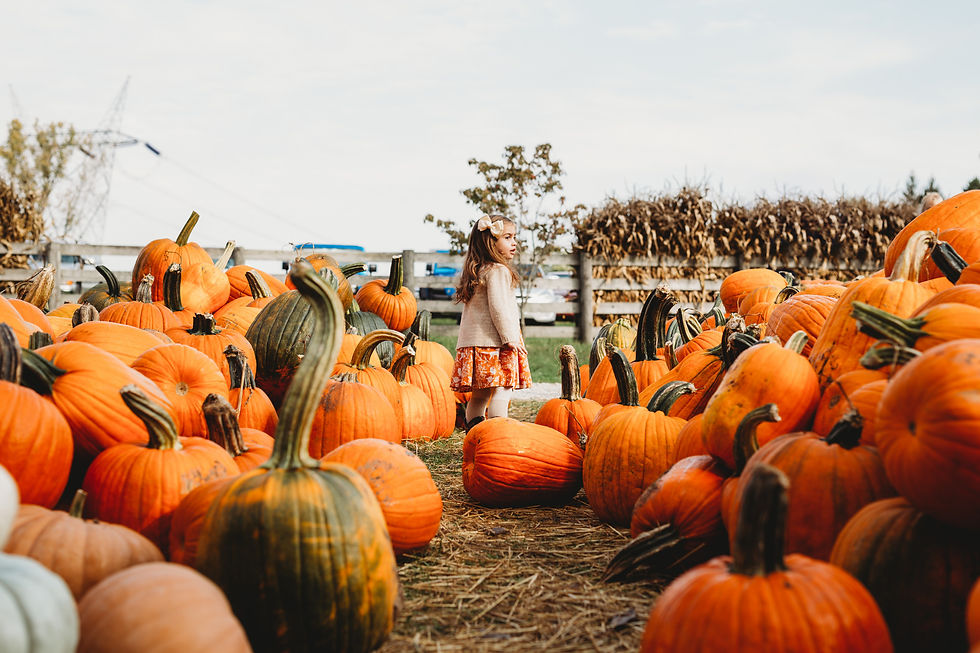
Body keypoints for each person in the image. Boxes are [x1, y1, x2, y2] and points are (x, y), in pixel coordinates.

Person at [450, 214, 532, 431]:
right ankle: (497, 435)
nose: (514, 243)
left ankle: (475, 435)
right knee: (503, 389)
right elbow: (499, 308)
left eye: (514, 237)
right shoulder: (499, 271)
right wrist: (510, 338)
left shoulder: (478, 271)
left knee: (480, 395)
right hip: (496, 343)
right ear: (490, 242)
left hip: (474, 344)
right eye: (507, 237)